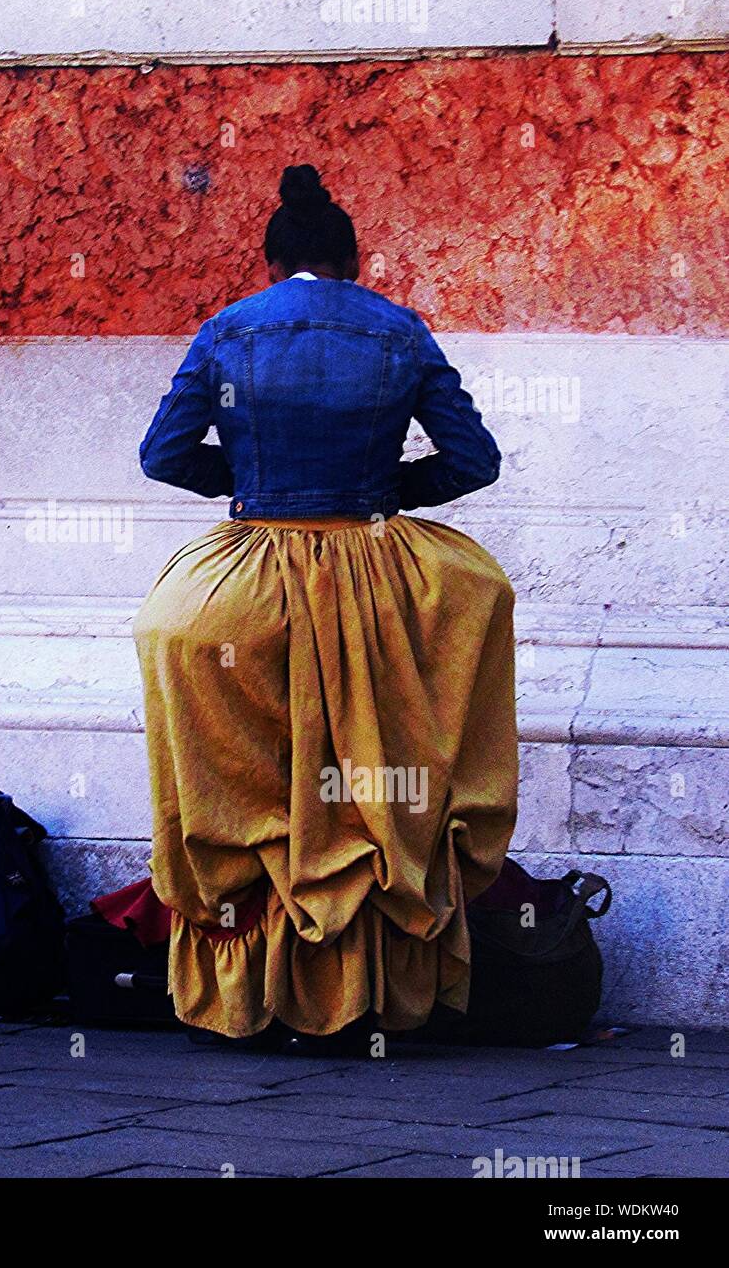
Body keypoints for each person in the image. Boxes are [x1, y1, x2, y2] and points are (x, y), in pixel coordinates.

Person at [132, 164, 518, 1049]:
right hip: (376, 572)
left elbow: (162, 456)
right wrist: (386, 489)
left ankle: (252, 994)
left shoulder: (229, 328)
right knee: (366, 775)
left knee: (259, 773)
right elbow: (474, 461)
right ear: (352, 261)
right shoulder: (398, 328)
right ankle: (373, 994)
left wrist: (255, 486)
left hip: (250, 574)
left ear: (272, 266)